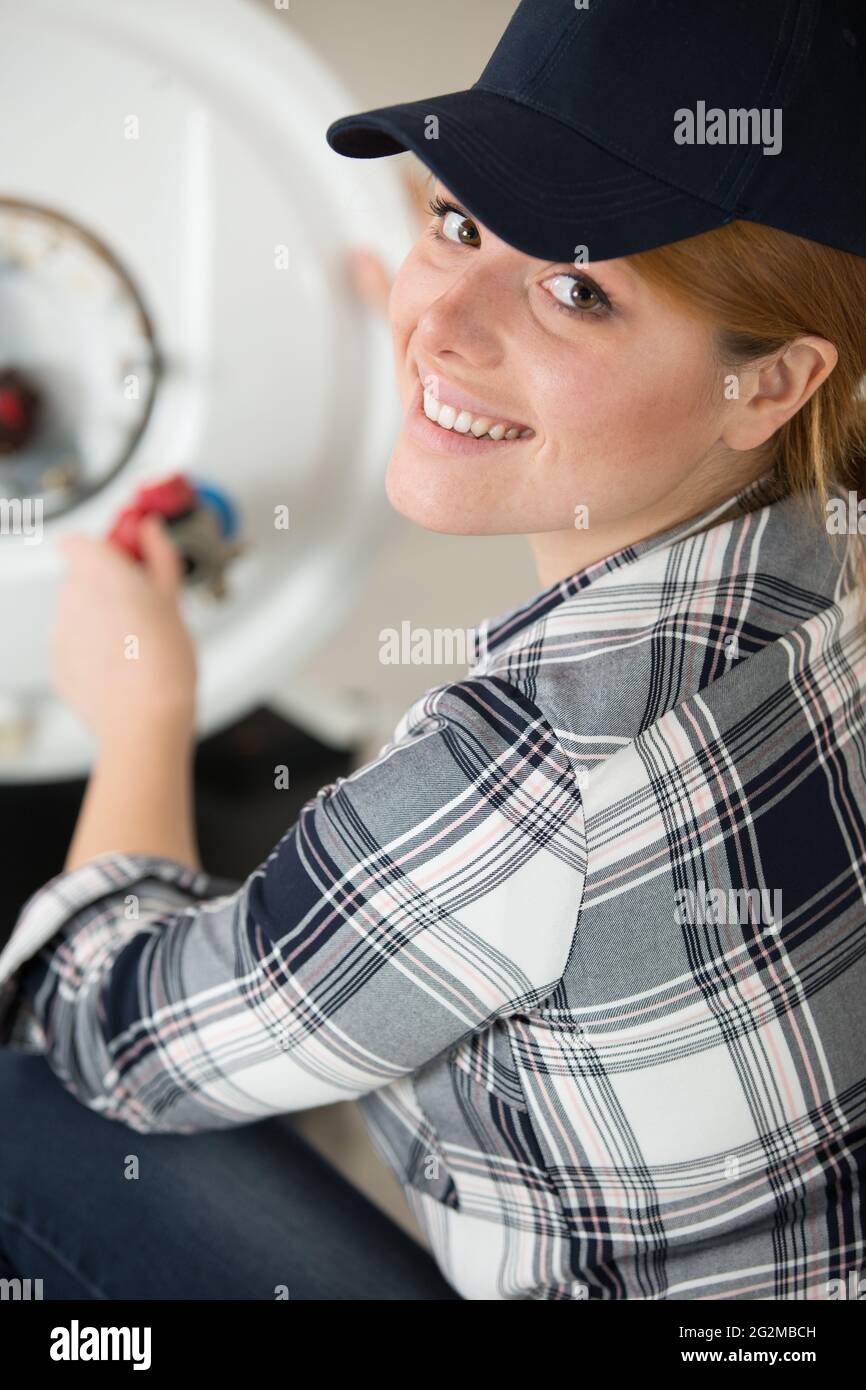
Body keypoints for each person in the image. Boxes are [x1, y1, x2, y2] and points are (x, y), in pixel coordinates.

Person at [1, 0, 865, 1301]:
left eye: (579, 288)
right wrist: (519, 289)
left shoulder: (533, 764)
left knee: (27, 1109)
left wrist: (140, 710)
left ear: (776, 381)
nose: (437, 323)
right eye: (453, 220)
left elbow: (107, 1031)